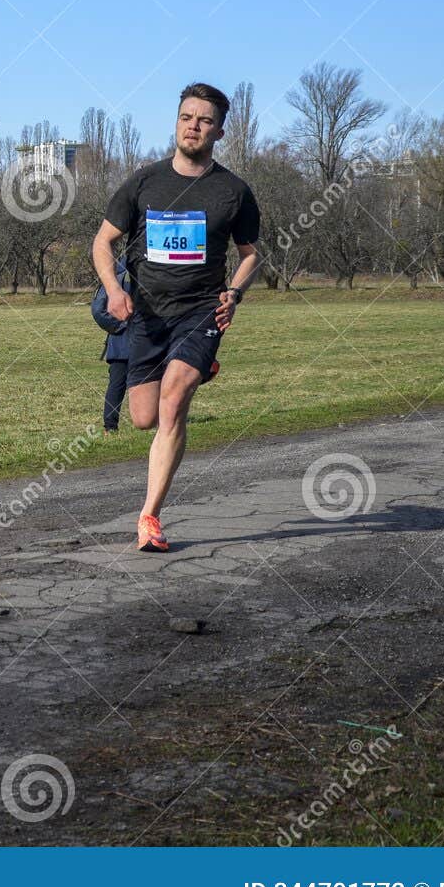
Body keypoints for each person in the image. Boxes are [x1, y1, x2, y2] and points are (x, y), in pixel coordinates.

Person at [91, 82, 261, 552]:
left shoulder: (233, 191)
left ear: (220, 131)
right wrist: (112, 290)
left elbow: (250, 255)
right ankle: (194, 370)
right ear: (177, 121)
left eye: (205, 120)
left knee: (172, 402)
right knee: (143, 417)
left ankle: (149, 517)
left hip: (200, 311)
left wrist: (234, 292)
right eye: (188, 117)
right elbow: (102, 242)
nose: (194, 126)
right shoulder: (144, 182)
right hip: (148, 315)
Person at [91, 270, 132, 431]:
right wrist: (123, 325)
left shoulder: (114, 275)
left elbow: (98, 310)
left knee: (117, 384)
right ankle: (110, 426)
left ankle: (111, 427)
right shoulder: (117, 277)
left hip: (122, 340)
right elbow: (98, 311)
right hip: (130, 340)